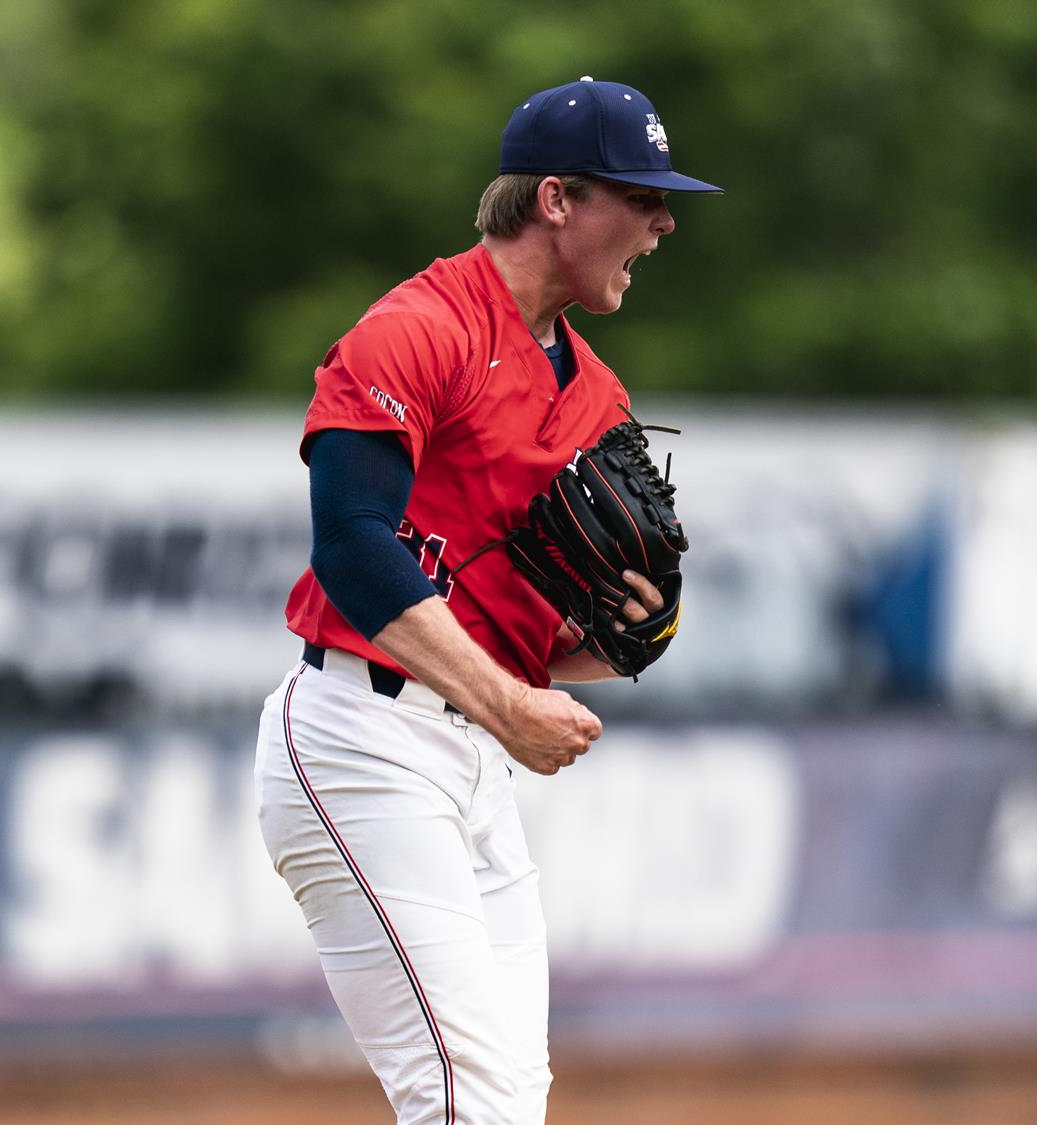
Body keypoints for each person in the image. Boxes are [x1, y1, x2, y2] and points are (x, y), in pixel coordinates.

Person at [254, 77, 721, 1124]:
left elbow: (539, 636)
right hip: (358, 739)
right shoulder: (414, 331)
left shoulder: (597, 397)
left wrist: (633, 634)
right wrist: (509, 705)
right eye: (640, 196)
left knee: (511, 1098)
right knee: (468, 1100)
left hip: (471, 761)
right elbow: (353, 546)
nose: (662, 223)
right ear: (555, 198)